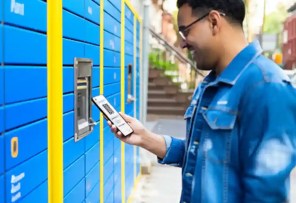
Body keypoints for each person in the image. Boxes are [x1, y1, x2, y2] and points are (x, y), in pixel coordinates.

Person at [107, 0, 296, 202]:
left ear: (214, 21)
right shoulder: (210, 83)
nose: (182, 43)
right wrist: (145, 138)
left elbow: (266, 195)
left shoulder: (267, 86)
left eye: (185, 31)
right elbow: (201, 155)